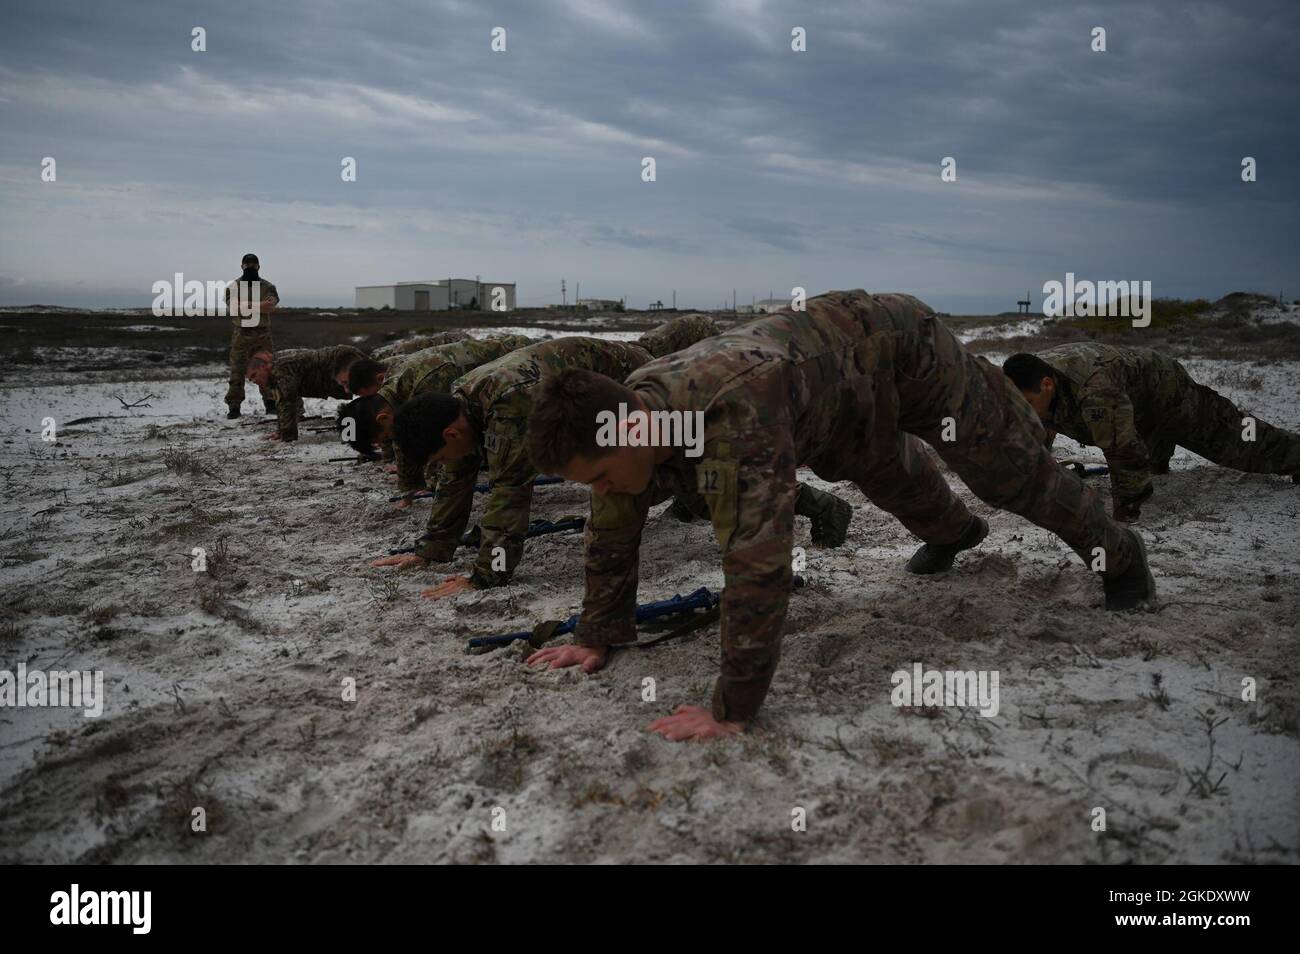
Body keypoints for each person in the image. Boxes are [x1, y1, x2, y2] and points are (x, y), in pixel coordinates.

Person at [521, 290, 1155, 741]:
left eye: (601, 474)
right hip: (830, 403)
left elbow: (756, 564)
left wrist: (731, 709)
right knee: (891, 475)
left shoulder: (731, 416)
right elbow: (611, 525)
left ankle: (1123, 557)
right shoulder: (630, 421)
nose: (603, 491)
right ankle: (957, 534)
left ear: (633, 426)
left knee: (1009, 475)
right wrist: (596, 633)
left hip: (905, 352)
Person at [370, 333, 852, 598]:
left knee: (698, 474)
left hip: (634, 386)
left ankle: (824, 506)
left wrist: (486, 576)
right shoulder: (460, 410)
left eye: (440, 458)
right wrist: (432, 549)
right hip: (601, 400)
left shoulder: (505, 406)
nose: (447, 470)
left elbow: (509, 492)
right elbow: (457, 475)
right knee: (674, 482)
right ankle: (700, 503)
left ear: (452, 434)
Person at [1004, 345, 1300, 520]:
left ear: (1046, 385)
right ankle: (1158, 453)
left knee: (1236, 443)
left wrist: (1125, 509)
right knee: (1152, 458)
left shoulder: (1094, 389)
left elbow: (1123, 452)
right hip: (1132, 400)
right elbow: (1033, 429)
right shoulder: (1025, 382)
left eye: (1029, 404)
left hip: (1167, 394)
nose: (1025, 411)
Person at [245, 345, 366, 441]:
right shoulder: (274, 373)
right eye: (251, 379)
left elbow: (287, 401)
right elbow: (287, 400)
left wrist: (286, 435)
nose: (254, 381)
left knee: (369, 387)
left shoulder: (280, 369)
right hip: (336, 365)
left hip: (342, 359)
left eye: (254, 375)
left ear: (263, 367)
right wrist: (282, 430)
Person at [224, 253, 279, 419]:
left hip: (262, 334)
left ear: (258, 267)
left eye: (253, 265)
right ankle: (234, 407)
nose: (250, 267)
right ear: (242, 266)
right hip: (241, 334)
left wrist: (246, 305)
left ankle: (270, 403)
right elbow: (234, 308)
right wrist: (259, 305)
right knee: (237, 370)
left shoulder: (268, 286)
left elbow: (271, 307)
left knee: (267, 367)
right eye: (247, 265)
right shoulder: (233, 287)